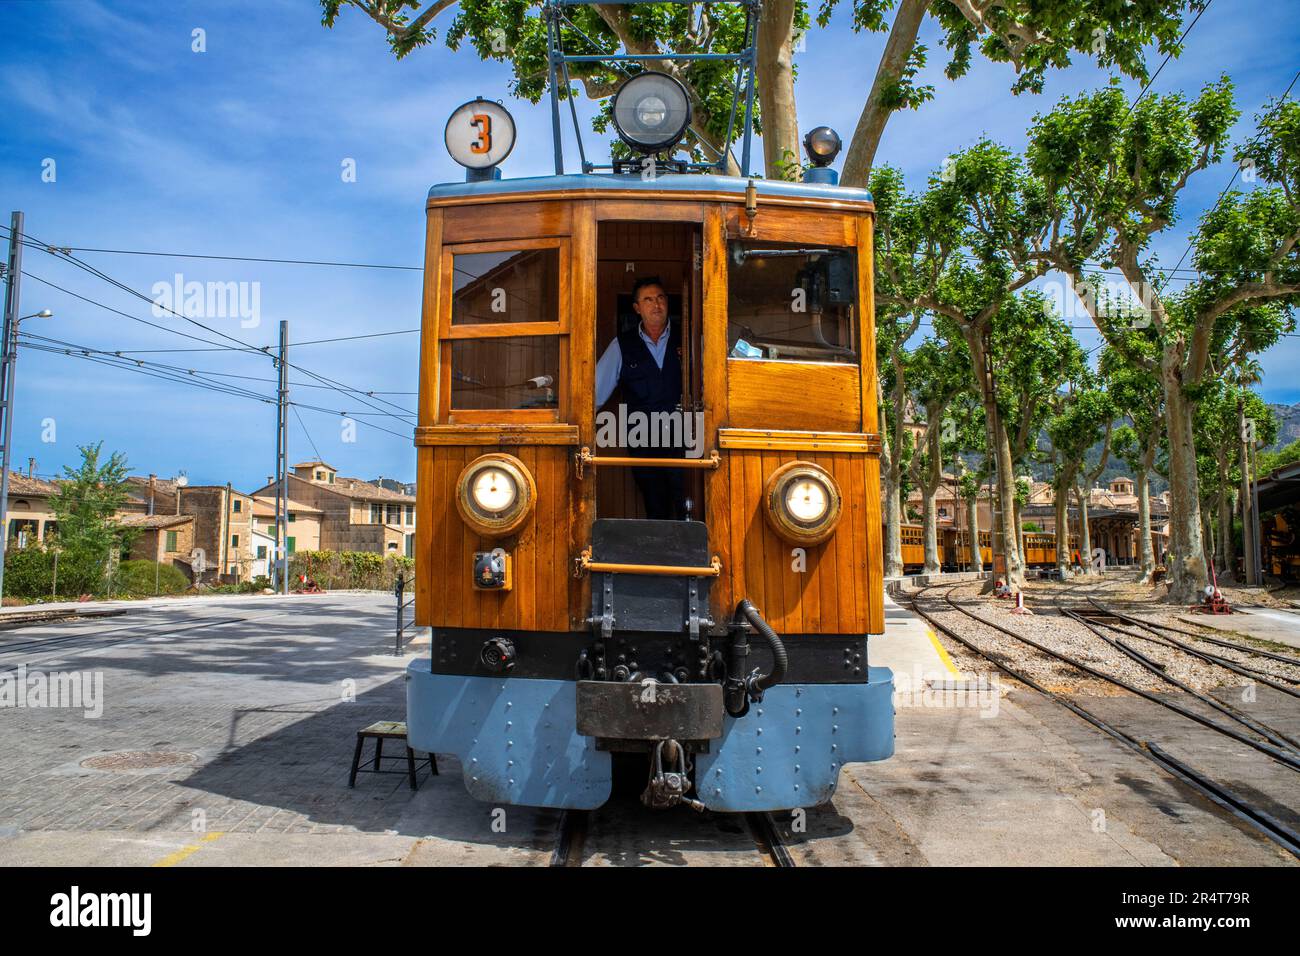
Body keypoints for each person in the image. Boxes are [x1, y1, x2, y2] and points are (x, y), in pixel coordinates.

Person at [594, 277, 685, 520]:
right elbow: (594, 392)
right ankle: (662, 557)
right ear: (637, 308)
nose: (656, 305)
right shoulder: (622, 345)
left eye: (660, 298)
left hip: (686, 440)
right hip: (644, 441)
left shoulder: (689, 339)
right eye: (648, 300)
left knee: (689, 506)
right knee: (656, 508)